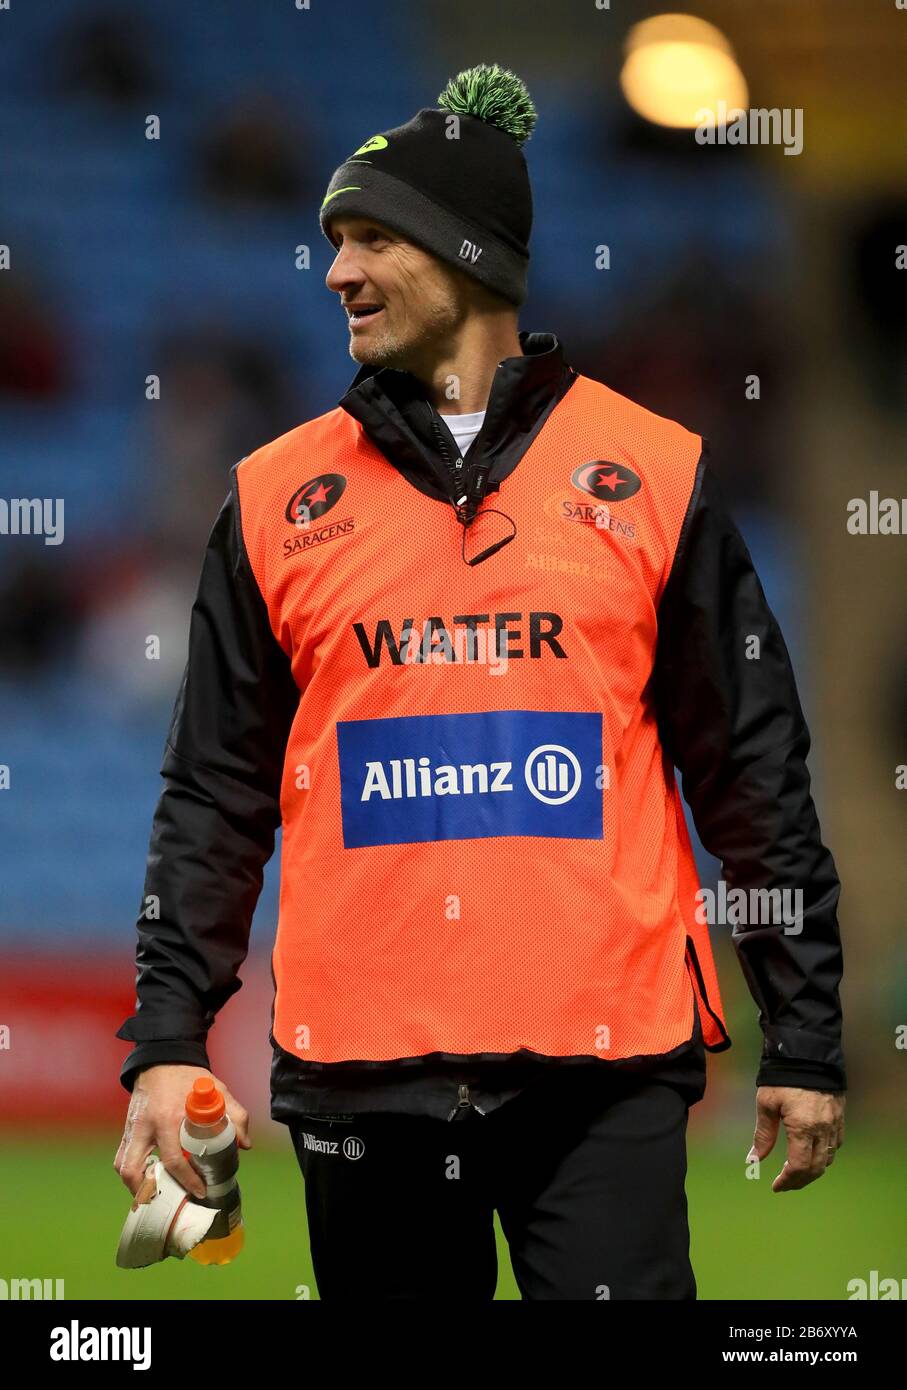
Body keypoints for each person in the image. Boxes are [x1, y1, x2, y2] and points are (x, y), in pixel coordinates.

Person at [114, 64, 846, 1300]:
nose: (336, 271)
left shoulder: (654, 476)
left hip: (602, 1073)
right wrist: (166, 1040)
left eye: (371, 239)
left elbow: (751, 773)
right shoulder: (269, 501)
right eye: (331, 240)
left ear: (467, 257)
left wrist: (809, 1031)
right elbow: (212, 794)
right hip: (361, 1075)